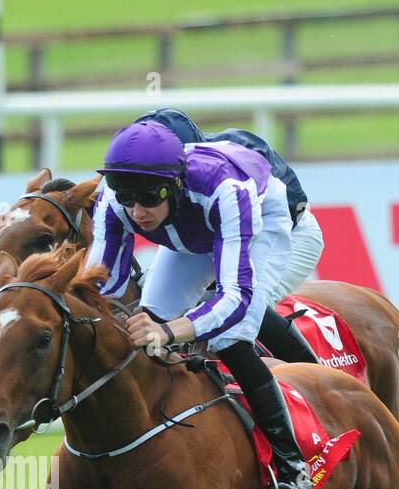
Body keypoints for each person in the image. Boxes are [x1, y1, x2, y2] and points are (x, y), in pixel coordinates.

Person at [86, 119, 318, 489]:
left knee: (230, 334)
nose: (137, 211)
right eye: (127, 197)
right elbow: (101, 286)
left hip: (262, 218)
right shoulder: (114, 197)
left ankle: (294, 464)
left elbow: (236, 299)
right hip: (189, 230)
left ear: (174, 184)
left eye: (148, 196)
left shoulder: (226, 188)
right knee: (147, 317)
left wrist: (170, 330)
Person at [135, 108, 322, 365]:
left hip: (287, 233)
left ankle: (317, 377)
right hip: (212, 237)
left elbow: (270, 230)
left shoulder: (231, 165)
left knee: (242, 306)